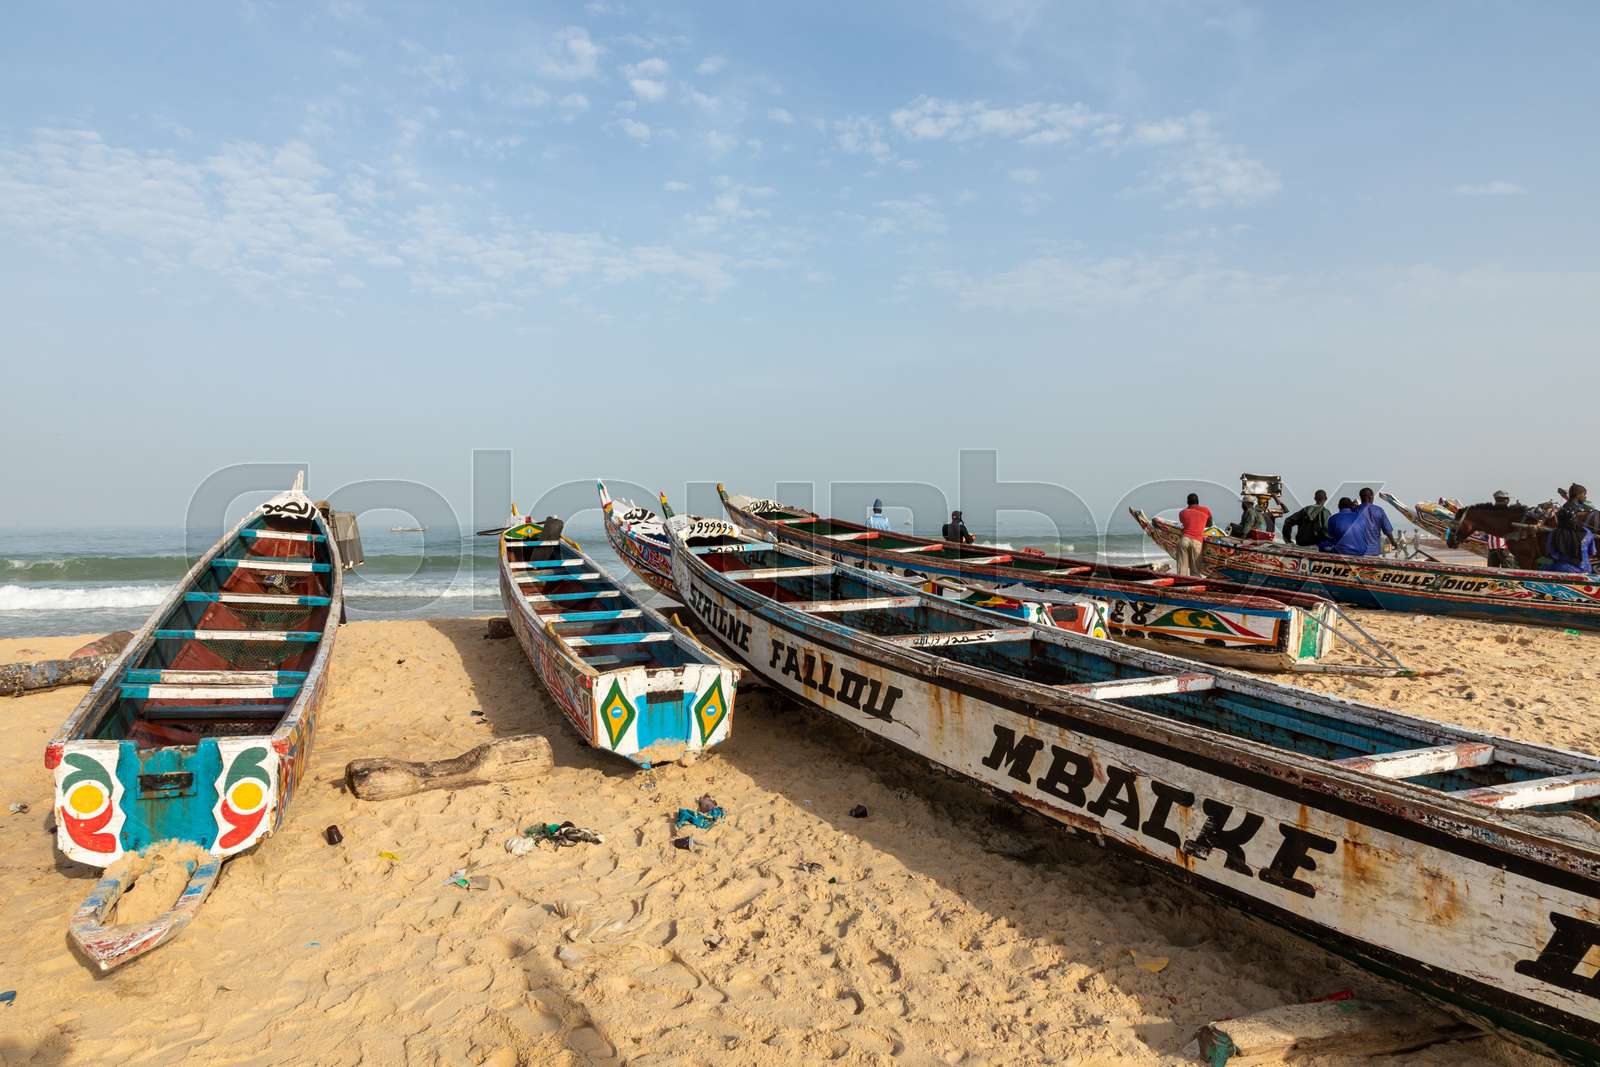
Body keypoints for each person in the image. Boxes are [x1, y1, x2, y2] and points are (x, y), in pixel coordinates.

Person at [1329, 487, 1402, 556]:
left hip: (1357, 551)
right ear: (1370, 497)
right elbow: (1387, 531)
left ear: (1361, 497)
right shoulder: (1379, 511)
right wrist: (1393, 543)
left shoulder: (1355, 511)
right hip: (1374, 551)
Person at [1546, 493, 1596, 573]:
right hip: (1585, 570)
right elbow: (1591, 552)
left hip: (1561, 568)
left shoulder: (1554, 533)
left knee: (1543, 567)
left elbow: (1550, 553)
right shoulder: (1587, 533)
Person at [1176, 493, 1212, 576]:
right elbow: (1210, 524)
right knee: (1195, 571)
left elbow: (1184, 523)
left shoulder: (1182, 512)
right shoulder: (1206, 510)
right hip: (1197, 541)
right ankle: (1194, 586)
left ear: (1187, 502)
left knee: (1182, 568)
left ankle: (1181, 585)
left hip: (1184, 540)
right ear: (1198, 501)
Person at [1484, 490, 1514, 568]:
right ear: (1506, 500)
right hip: (1504, 548)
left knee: (1492, 571)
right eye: (1507, 499)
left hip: (1491, 547)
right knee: (1508, 570)